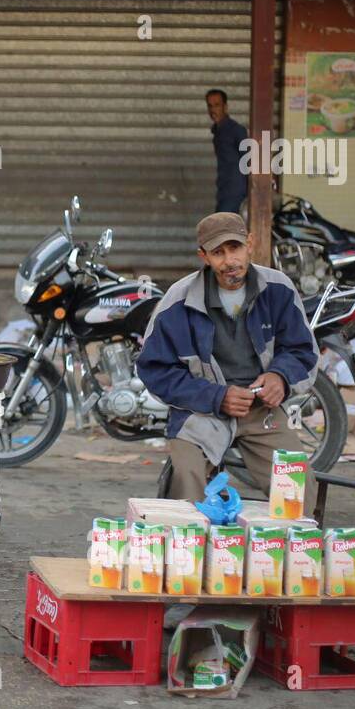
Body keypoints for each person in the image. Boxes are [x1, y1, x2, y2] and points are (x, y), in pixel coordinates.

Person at [136, 212, 318, 502]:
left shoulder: (278, 288)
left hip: (260, 410)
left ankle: (290, 533)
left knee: (297, 486)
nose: (229, 260)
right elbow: (155, 370)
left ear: (250, 244)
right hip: (200, 411)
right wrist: (216, 397)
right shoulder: (178, 300)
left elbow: (302, 350)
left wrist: (280, 377)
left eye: (235, 248)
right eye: (218, 253)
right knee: (187, 482)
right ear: (204, 256)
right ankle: (190, 531)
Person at [206, 89, 250, 214]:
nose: (213, 110)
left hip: (236, 193)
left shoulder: (236, 130)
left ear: (225, 107)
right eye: (210, 106)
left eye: (217, 105)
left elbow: (249, 161)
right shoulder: (217, 132)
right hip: (224, 191)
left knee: (222, 223)